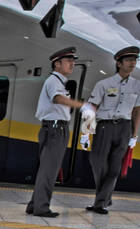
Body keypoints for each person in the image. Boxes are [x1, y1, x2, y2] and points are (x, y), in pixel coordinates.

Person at [27, 47, 92, 217]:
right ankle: (41, 208)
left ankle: (34, 205)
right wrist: (81, 105)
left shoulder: (58, 81)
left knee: (47, 170)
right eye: (69, 61)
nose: (73, 64)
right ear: (57, 64)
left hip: (56, 129)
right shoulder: (54, 81)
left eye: (73, 61)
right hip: (55, 129)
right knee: (49, 171)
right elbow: (57, 98)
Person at [82, 45, 140, 215]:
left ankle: (100, 203)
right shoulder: (104, 84)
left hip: (124, 128)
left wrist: (134, 135)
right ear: (119, 63)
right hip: (104, 127)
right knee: (98, 163)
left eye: (134, 60)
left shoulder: (137, 85)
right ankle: (104, 198)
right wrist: (86, 133)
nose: (132, 63)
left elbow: (137, 111)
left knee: (115, 168)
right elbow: (91, 108)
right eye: (129, 60)